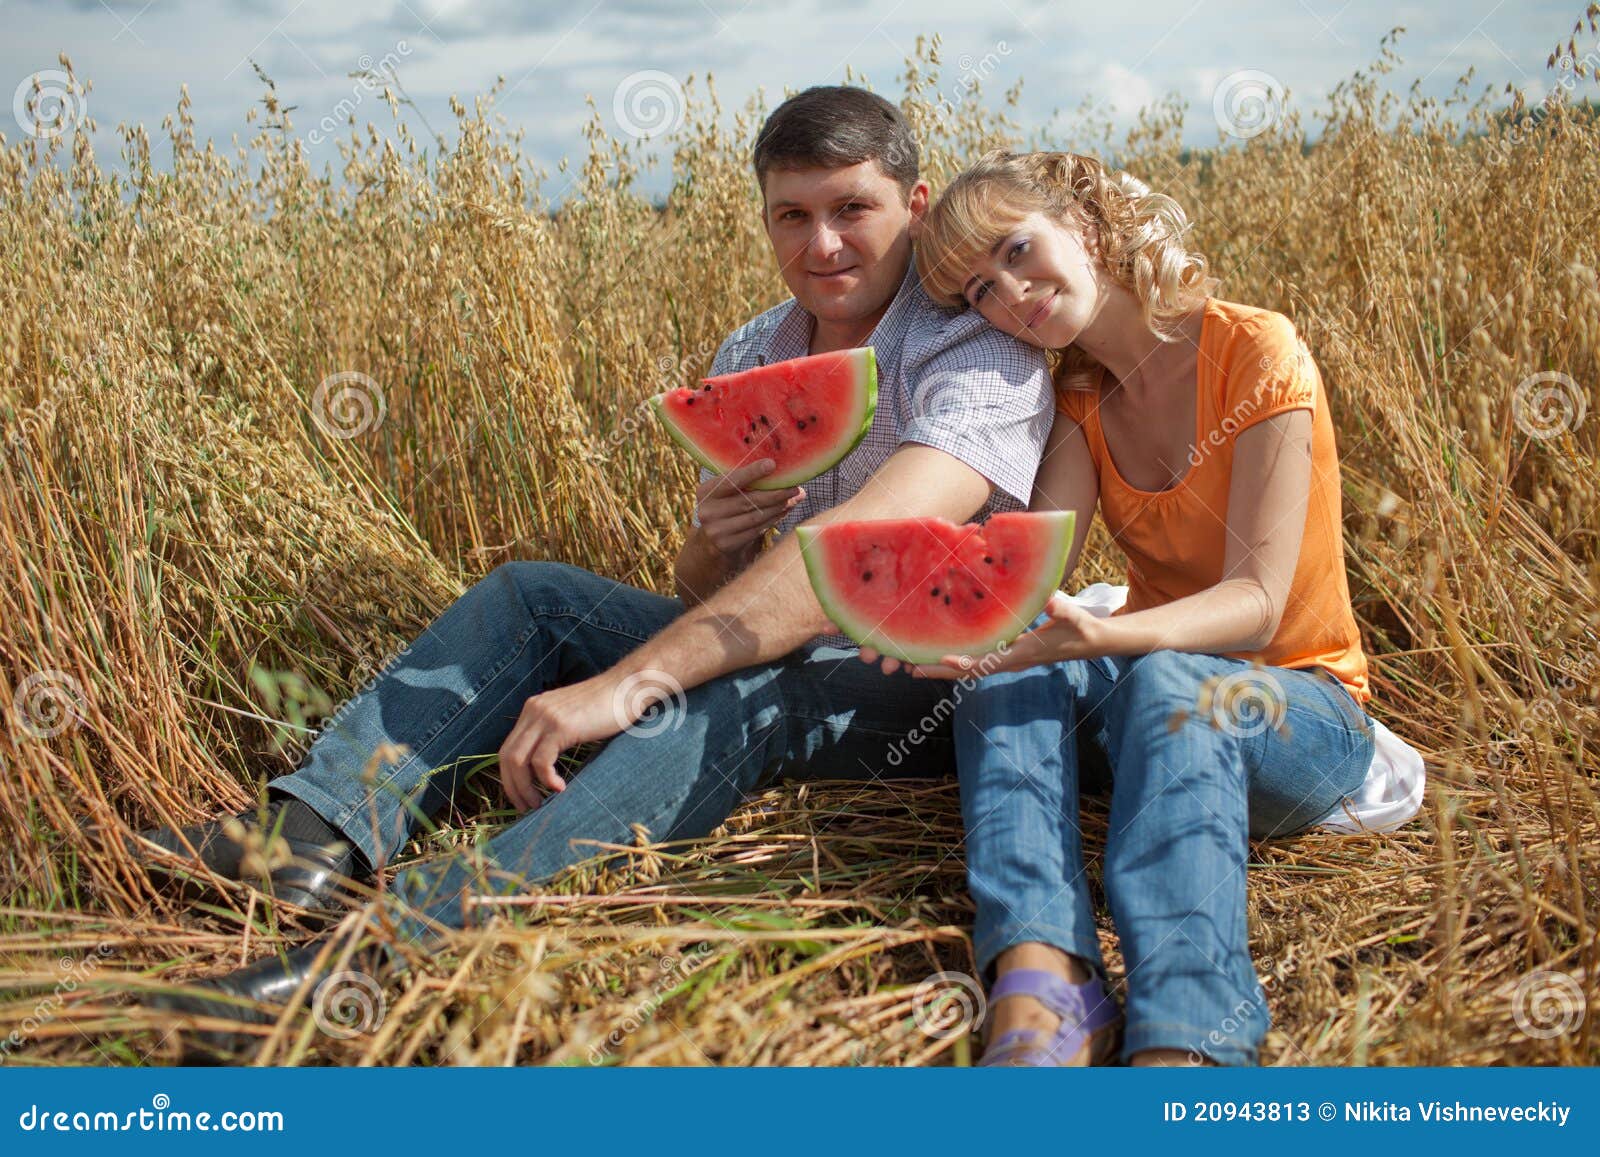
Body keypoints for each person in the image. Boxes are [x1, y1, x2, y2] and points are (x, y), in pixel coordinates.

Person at [132, 87, 1056, 1059]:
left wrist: (623, 686)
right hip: (774, 637)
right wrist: (710, 539)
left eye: (850, 210)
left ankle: (396, 954)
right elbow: (707, 599)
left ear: (912, 207)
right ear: (764, 219)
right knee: (532, 594)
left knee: (739, 693)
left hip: (921, 683)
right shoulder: (755, 350)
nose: (821, 244)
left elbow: (852, 555)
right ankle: (312, 836)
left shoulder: (977, 344)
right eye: (793, 215)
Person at [878, 150, 1383, 1066]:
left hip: (1304, 708)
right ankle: (1047, 988)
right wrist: (922, 618)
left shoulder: (1257, 349)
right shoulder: (1081, 398)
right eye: (981, 292)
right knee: (1007, 679)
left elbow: (1259, 607)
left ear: (1088, 227)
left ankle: (1186, 1041)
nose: (1010, 294)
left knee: (1177, 687)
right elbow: (1034, 571)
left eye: (1018, 250)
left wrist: (1107, 634)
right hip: (1162, 690)